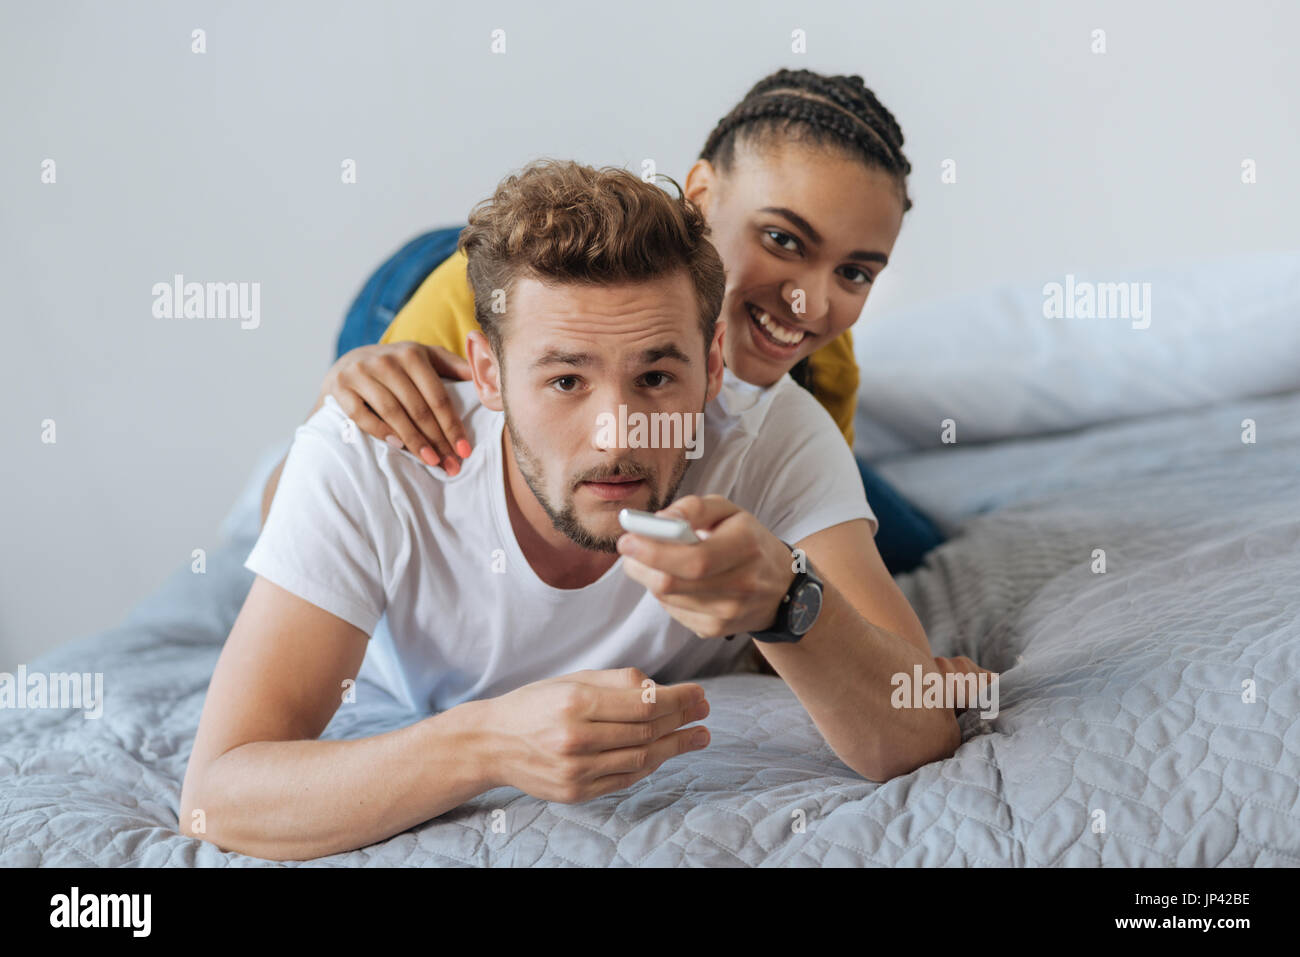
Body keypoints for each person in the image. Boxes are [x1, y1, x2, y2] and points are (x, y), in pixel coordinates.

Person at [180, 160, 985, 861]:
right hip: (414, 296)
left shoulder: (772, 432)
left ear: (710, 369)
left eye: (657, 378)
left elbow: (917, 727)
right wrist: (484, 741)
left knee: (925, 526)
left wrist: (790, 603)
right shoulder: (371, 457)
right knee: (291, 482)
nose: (618, 434)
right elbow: (218, 794)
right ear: (488, 377)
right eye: (566, 381)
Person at [260, 69, 947, 575]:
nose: (812, 303)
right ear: (703, 196)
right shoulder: (480, 313)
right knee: (397, 410)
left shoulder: (821, 365)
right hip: (423, 280)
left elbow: (812, 556)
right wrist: (341, 391)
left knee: (912, 542)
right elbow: (295, 517)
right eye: (784, 241)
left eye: (854, 273)